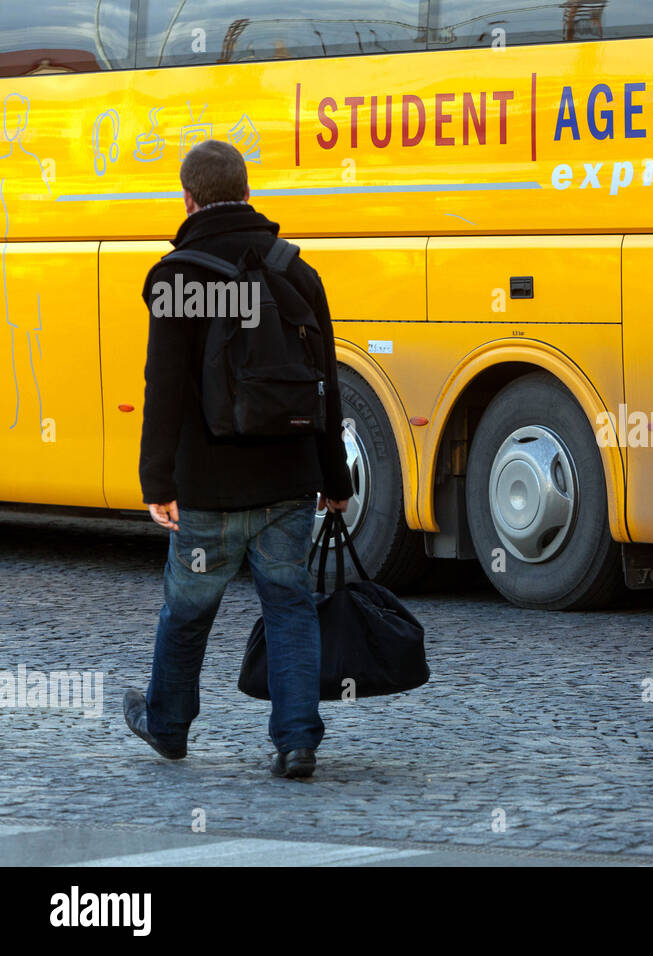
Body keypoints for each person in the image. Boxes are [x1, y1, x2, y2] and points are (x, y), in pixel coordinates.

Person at [124, 140, 352, 779]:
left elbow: (163, 386)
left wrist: (157, 479)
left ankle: (167, 726)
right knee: (288, 605)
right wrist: (336, 479)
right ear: (248, 192)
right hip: (288, 482)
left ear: (187, 198)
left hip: (209, 486)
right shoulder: (296, 272)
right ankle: (298, 739)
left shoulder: (178, 278)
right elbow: (325, 385)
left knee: (189, 608)